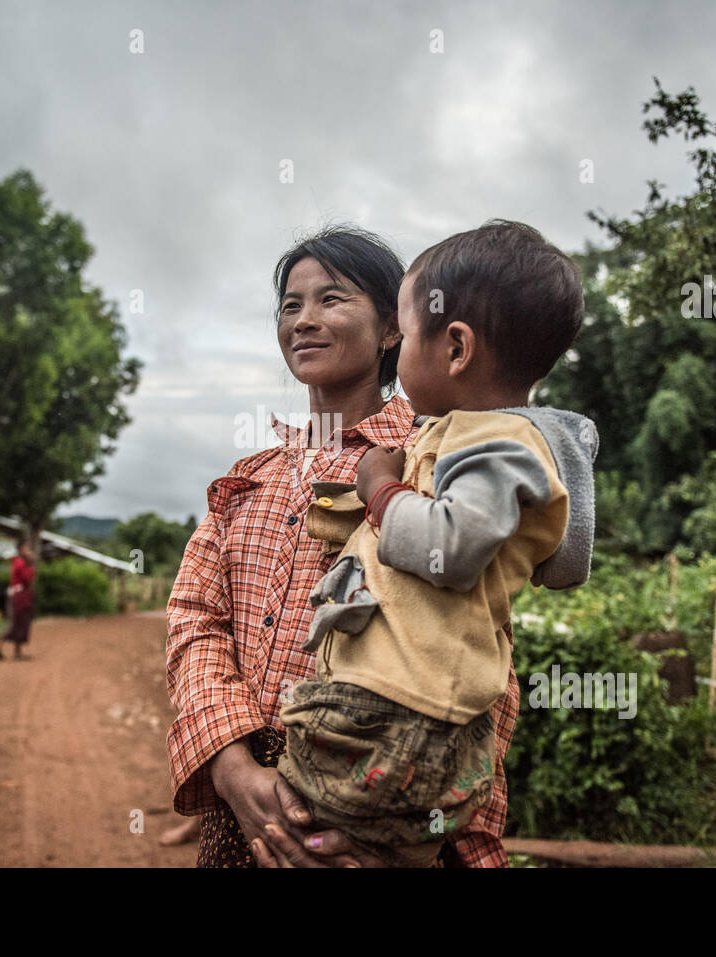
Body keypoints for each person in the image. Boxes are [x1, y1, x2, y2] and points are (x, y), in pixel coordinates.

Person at [165, 226, 522, 868]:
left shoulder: (430, 466)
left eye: (332, 300)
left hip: (383, 804)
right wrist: (232, 768)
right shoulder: (249, 482)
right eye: (290, 305)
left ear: (393, 328)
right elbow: (195, 621)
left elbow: (479, 649)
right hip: (246, 814)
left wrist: (417, 825)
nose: (304, 321)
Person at [274, 219, 598, 866]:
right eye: (290, 304)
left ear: (454, 348)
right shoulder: (457, 436)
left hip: (408, 713)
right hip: (409, 707)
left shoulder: (497, 443)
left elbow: (447, 546)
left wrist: (381, 491)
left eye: (405, 323)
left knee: (317, 823)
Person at [0, 541, 36, 661]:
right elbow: (27, 579)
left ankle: (17, 653)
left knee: (21, 623)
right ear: (20, 550)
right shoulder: (20, 563)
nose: (28, 552)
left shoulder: (18, 562)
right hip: (19, 596)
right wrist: (31, 564)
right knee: (18, 623)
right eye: (26, 549)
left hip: (21, 596)